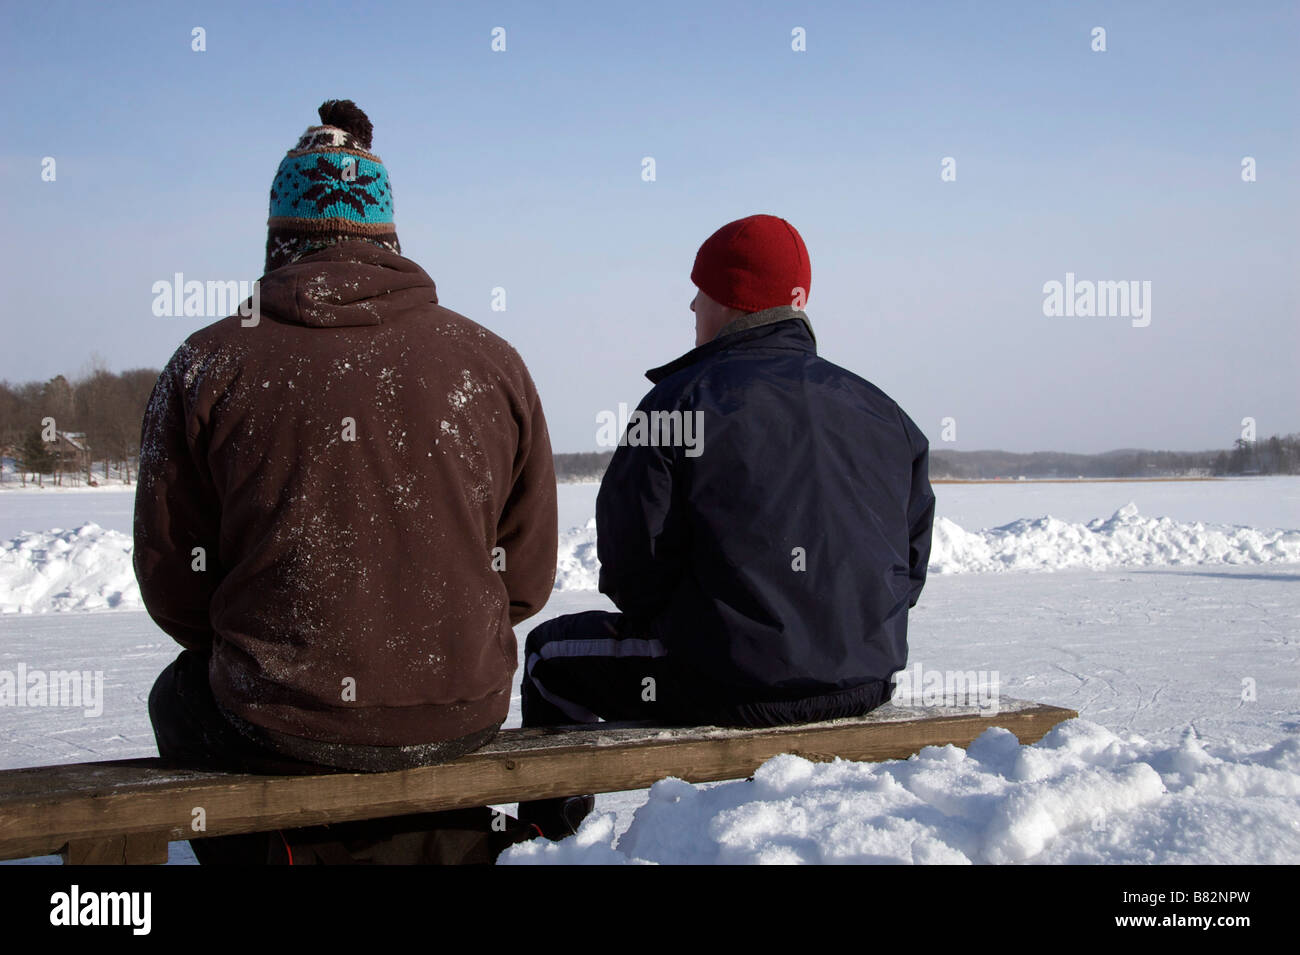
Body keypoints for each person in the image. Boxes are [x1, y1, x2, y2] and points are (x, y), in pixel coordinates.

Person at [135, 100, 557, 863]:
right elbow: (525, 581)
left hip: (278, 718)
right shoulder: (493, 361)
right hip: (463, 706)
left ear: (278, 238)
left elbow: (173, 584)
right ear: (390, 235)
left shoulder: (206, 363)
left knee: (181, 697)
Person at [517, 214, 935, 839]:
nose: (691, 303)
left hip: (727, 684)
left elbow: (632, 562)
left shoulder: (677, 403)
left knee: (550, 656)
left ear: (732, 303)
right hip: (862, 682)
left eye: (702, 293)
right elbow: (911, 562)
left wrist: (697, 628)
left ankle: (556, 848)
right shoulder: (884, 411)